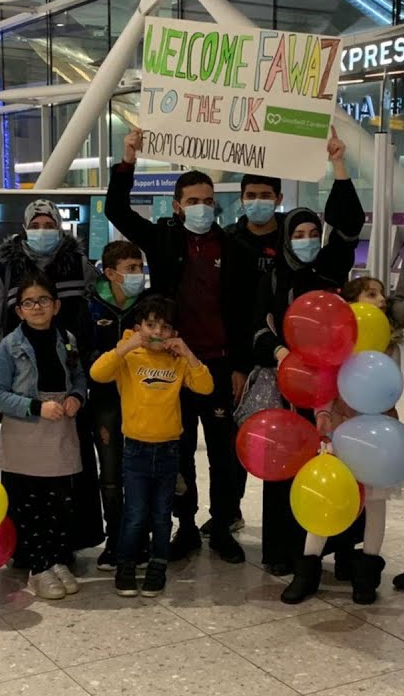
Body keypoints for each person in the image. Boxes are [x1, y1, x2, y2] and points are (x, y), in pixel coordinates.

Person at [103, 129, 245, 565]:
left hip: (217, 365)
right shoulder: (162, 239)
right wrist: (128, 161)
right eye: (193, 201)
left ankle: (222, 524)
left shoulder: (233, 247)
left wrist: (239, 365)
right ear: (177, 205)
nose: (202, 207)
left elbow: (243, 311)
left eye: (208, 201)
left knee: (224, 454)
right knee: (179, 452)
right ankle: (185, 524)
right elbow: (116, 210)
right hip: (171, 365)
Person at [253, 130, 366, 577]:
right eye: (297, 234)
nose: (305, 239)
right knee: (288, 462)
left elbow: (350, 225)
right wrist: (282, 353)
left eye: (312, 233)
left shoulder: (328, 267)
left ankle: (338, 546)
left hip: (332, 386)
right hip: (290, 387)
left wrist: (338, 167)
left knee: (336, 458)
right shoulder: (273, 276)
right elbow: (256, 327)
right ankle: (285, 551)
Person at [0, 199, 103, 556]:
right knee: (25, 471)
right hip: (22, 382)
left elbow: (99, 309)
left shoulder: (79, 264)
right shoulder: (4, 268)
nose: (43, 230)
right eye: (36, 224)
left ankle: (69, 542)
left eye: (49, 224)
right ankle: (27, 547)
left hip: (69, 377)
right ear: (25, 228)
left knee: (71, 464)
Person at [280, 276, 403, 606]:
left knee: (375, 503)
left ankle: (366, 575)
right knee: (328, 493)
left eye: (382, 295)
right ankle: (307, 570)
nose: (381, 300)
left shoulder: (389, 347)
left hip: (377, 434)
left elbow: (390, 388)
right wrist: (322, 414)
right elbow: (324, 383)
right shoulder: (337, 341)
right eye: (371, 294)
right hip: (339, 430)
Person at [90, 294, 214, 598]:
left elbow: (206, 386)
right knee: (134, 514)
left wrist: (187, 352)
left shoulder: (177, 359)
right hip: (135, 450)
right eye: (151, 325)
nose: (158, 332)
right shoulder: (129, 356)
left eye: (165, 327)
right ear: (138, 327)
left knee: (161, 515)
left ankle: (158, 567)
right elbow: (97, 373)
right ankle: (126, 565)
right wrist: (126, 346)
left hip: (169, 450)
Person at [0, 273, 87, 600]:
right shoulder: (9, 345)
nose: (37, 307)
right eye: (28, 303)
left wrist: (77, 397)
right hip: (26, 432)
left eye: (43, 300)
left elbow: (78, 377)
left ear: (56, 305)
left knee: (59, 502)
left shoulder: (67, 339)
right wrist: (34, 406)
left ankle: (57, 559)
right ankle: (38, 567)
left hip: (59, 431)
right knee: (30, 503)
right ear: (19, 311)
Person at [220, 172, 288, 535]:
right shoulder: (231, 239)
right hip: (241, 356)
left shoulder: (291, 238)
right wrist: (237, 365)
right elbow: (227, 308)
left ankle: (281, 526)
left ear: (278, 198)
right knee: (237, 438)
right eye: (250, 195)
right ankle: (230, 510)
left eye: (265, 194)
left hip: (286, 357)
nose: (257, 201)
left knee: (281, 441)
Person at [87, 240, 148, 570]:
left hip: (145, 401)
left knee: (141, 471)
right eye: (130, 269)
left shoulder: (148, 306)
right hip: (105, 401)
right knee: (110, 471)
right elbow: (82, 353)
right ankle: (115, 539)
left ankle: (140, 538)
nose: (138, 274)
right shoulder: (91, 306)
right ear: (110, 273)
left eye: (140, 267)